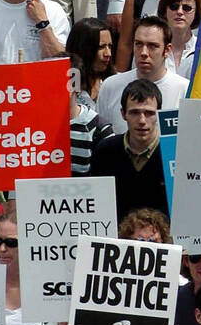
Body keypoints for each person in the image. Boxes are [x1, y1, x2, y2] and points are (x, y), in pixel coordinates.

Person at [89, 78, 168, 220]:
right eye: (134, 113)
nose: (142, 120)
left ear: (159, 114)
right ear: (123, 114)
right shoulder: (105, 152)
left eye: (149, 113)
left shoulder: (173, 155)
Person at [96, 15, 188, 134]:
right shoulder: (111, 86)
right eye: (139, 44)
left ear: (167, 50)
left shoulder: (184, 90)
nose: (144, 52)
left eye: (152, 46)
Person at [66, 18, 114, 104]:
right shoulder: (65, 86)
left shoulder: (116, 83)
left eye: (110, 46)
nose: (108, 53)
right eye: (101, 47)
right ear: (82, 48)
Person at [157, 0, 200, 76]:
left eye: (187, 8)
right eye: (174, 7)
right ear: (164, 11)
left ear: (196, 13)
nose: (180, 12)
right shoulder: (151, 47)